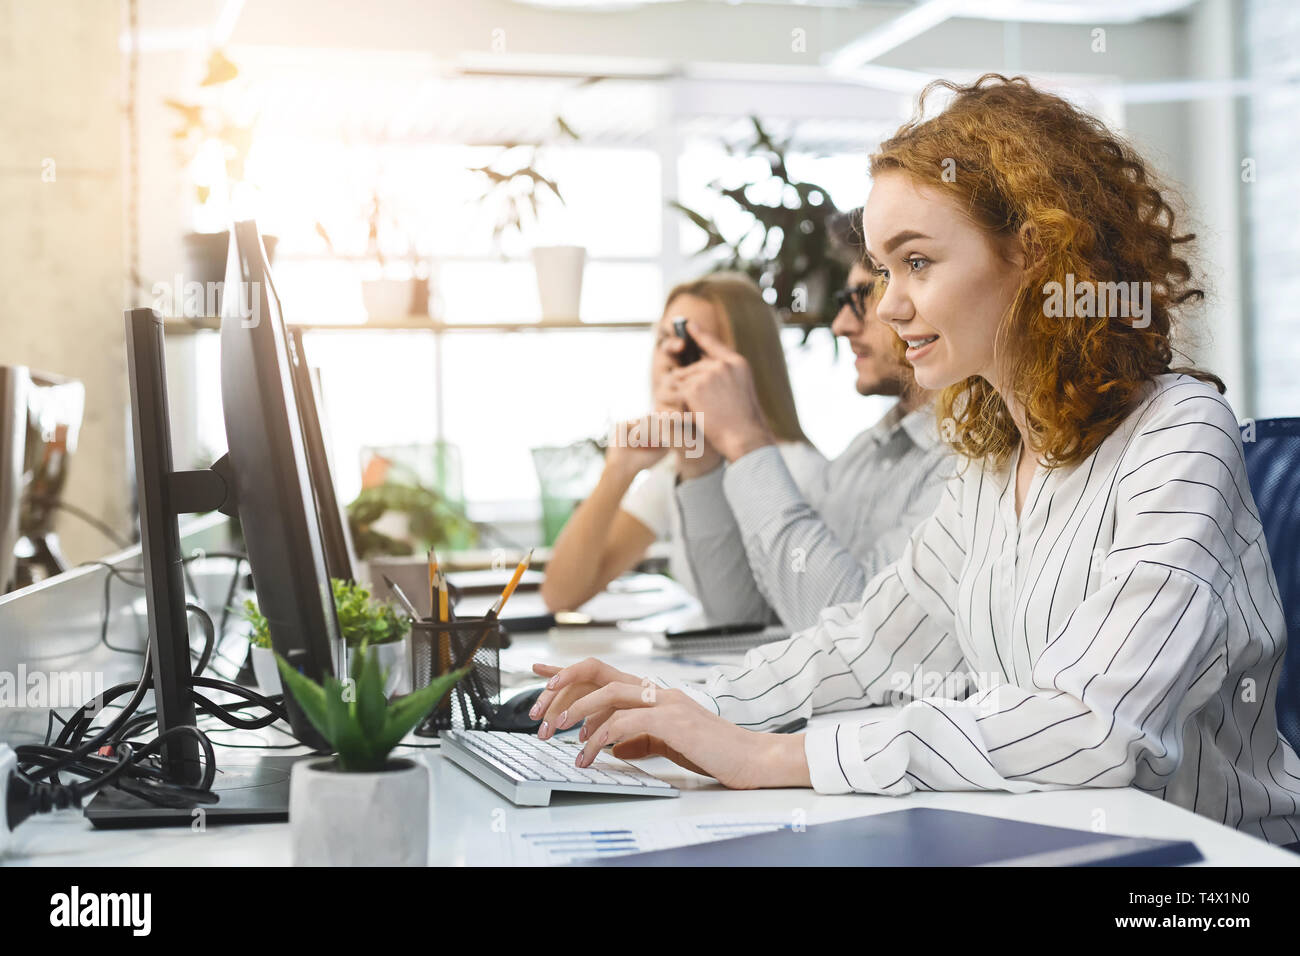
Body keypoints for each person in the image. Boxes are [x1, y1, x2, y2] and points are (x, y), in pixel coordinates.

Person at [528, 74, 1300, 847]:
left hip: (1208, 864)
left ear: (1033, 256)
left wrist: (768, 756)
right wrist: (664, 702)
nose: (890, 305)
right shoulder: (996, 463)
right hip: (1059, 838)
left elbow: (1094, 727)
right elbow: (868, 648)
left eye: (917, 262)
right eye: (883, 269)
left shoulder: (1179, 434)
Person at [671, 209, 951, 631]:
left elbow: (849, 630)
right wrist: (701, 460)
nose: (839, 326)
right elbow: (744, 616)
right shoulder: (864, 452)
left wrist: (746, 441)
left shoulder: (964, 462)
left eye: (859, 299)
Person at [540, 272, 825, 613]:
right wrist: (618, 470)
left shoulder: (795, 473)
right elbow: (561, 595)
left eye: (691, 345)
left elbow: (759, 618)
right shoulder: (679, 467)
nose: (669, 359)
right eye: (663, 339)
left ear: (744, 365)